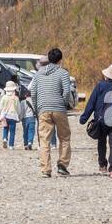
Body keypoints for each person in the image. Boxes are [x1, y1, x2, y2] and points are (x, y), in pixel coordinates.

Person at [29, 47, 74, 177]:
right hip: (59, 109)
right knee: (64, 138)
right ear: (60, 60)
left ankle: (46, 169)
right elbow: (66, 92)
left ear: (49, 59)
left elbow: (34, 93)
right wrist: (63, 104)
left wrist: (38, 108)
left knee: (44, 140)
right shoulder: (63, 73)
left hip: (43, 108)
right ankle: (62, 166)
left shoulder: (38, 74)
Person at [79, 64, 112, 176]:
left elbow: (91, 102)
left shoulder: (100, 86)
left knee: (102, 142)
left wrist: (84, 118)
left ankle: (102, 165)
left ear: (107, 76)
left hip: (102, 120)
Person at [0, 81, 21, 148]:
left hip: (5, 116)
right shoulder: (16, 98)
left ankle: (5, 138)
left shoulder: (4, 97)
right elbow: (18, 108)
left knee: (5, 128)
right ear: (14, 89)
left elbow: (0, 107)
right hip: (13, 116)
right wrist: (19, 116)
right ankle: (11, 145)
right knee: (12, 131)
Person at [19, 84, 37, 150]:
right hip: (32, 117)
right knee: (31, 131)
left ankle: (25, 144)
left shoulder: (22, 102)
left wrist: (20, 118)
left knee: (25, 131)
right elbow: (35, 110)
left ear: (25, 95)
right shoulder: (34, 101)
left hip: (25, 118)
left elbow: (22, 111)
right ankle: (30, 142)